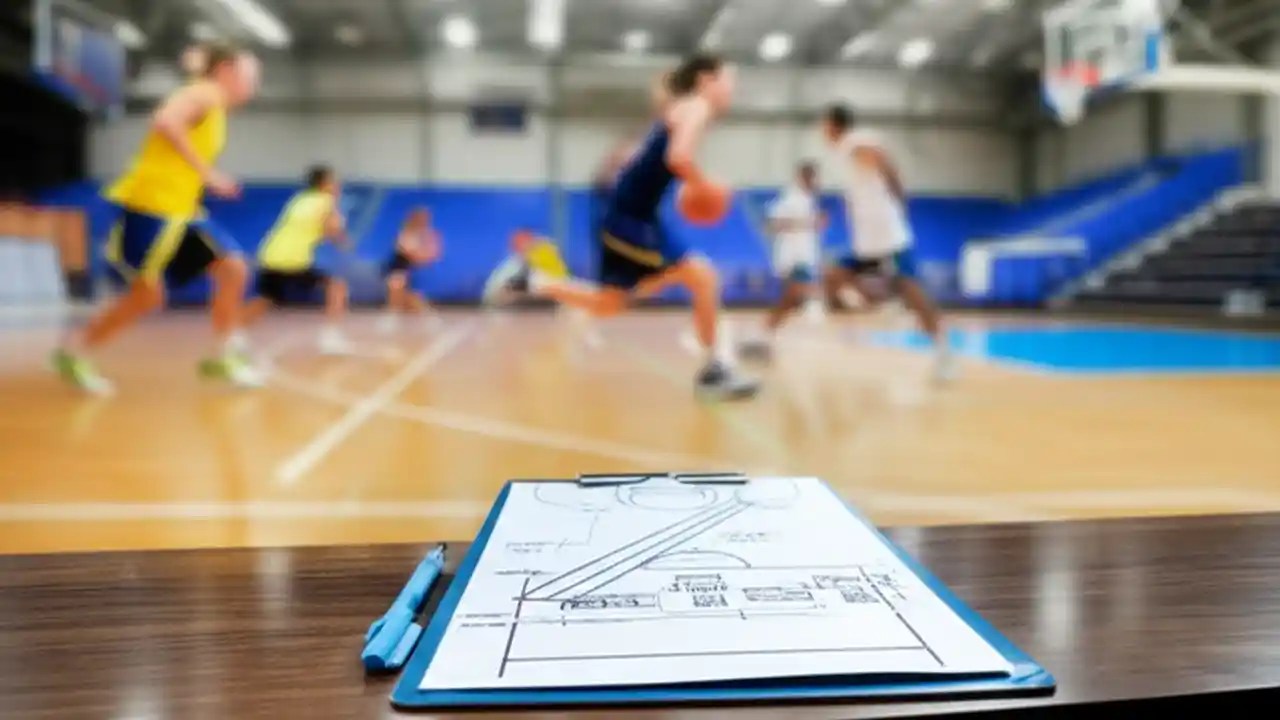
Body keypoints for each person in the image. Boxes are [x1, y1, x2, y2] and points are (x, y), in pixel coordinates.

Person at [527, 55, 758, 401]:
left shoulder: (684, 106)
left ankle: (535, 282)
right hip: (632, 218)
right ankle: (714, 371)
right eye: (729, 79)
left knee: (609, 303)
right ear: (706, 80)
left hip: (630, 213)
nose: (732, 88)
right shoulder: (697, 106)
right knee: (702, 276)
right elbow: (678, 158)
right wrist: (704, 186)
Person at [52, 42, 262, 395]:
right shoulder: (206, 93)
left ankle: (221, 355)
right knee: (148, 296)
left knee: (233, 268)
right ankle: (74, 352)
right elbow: (165, 120)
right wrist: (208, 173)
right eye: (250, 76)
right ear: (226, 71)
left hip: (181, 210)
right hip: (153, 206)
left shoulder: (212, 102)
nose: (253, 85)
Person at [821, 104, 955, 382]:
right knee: (833, 275)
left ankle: (943, 351)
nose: (822, 131)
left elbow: (882, 162)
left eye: (824, 125)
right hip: (867, 239)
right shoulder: (843, 153)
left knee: (912, 289)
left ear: (834, 125)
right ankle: (879, 301)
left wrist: (899, 199)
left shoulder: (855, 142)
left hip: (886, 233)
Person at [241, 165, 352, 355]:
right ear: (324, 184)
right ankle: (330, 339)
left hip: (270, 254)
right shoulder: (326, 201)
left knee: (265, 299)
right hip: (292, 259)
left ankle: (235, 333)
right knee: (337, 287)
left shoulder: (300, 199)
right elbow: (332, 230)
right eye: (334, 181)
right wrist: (341, 229)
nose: (338, 185)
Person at [740, 162, 825, 360]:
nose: (818, 182)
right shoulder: (791, 198)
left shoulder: (807, 200)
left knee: (791, 300)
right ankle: (761, 335)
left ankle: (762, 336)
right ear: (805, 177)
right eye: (814, 177)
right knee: (797, 295)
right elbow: (771, 224)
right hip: (793, 257)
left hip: (804, 256)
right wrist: (807, 223)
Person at [379, 207, 442, 333]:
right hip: (397, 268)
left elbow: (431, 254)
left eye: (425, 219)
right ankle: (392, 315)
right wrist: (418, 254)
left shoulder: (429, 235)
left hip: (412, 271)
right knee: (396, 283)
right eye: (419, 218)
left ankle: (426, 314)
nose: (422, 221)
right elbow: (404, 249)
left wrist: (421, 255)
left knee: (411, 300)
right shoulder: (405, 232)